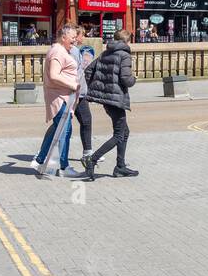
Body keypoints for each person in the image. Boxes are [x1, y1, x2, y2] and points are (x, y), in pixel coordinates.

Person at [81, 30, 138, 179]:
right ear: (127, 41)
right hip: (116, 99)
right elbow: (126, 79)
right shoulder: (124, 55)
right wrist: (134, 79)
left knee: (124, 132)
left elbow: (88, 71)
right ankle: (92, 160)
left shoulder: (105, 53)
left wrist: (95, 89)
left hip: (107, 99)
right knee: (119, 135)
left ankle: (120, 166)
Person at [33, 24, 83, 178]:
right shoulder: (57, 52)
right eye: (72, 37)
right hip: (60, 98)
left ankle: (39, 160)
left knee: (57, 129)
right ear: (63, 37)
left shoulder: (61, 50)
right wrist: (73, 84)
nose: (74, 40)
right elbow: (54, 75)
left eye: (75, 37)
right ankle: (64, 167)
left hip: (64, 97)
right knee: (64, 131)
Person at [71, 26, 96, 163]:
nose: (83, 38)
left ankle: (88, 152)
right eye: (81, 35)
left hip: (80, 92)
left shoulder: (76, 51)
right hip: (76, 93)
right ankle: (43, 153)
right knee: (62, 125)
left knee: (86, 121)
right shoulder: (73, 51)